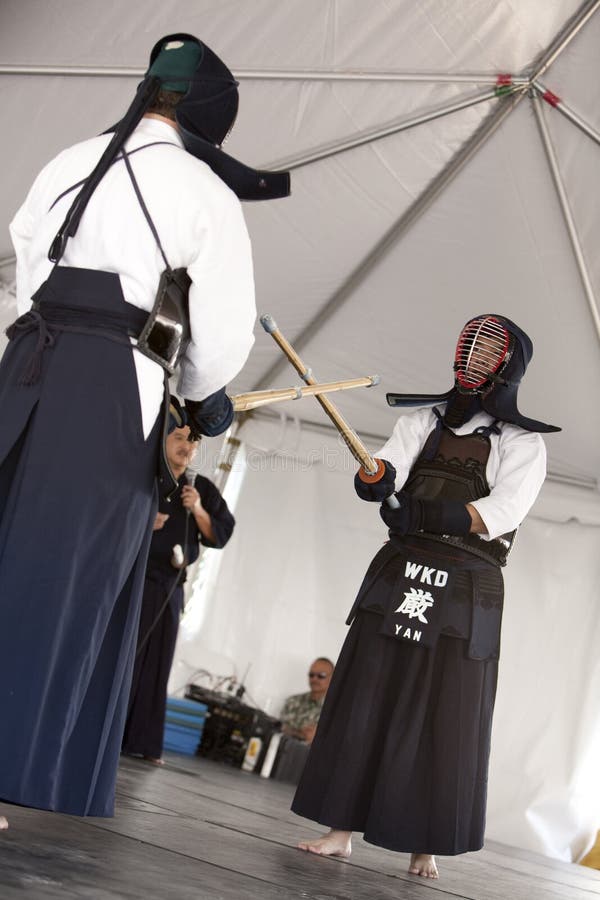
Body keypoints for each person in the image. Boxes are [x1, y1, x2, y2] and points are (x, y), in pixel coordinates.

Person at [0, 34, 289, 821]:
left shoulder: (70, 160)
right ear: (205, 119)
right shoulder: (205, 193)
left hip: (27, 364)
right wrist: (196, 393)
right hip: (110, 383)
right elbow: (222, 338)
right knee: (66, 578)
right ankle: (19, 766)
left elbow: (29, 265)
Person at [291, 314, 560, 879]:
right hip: (403, 568)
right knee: (369, 692)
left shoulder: (524, 443)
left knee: (447, 709)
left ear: (508, 368)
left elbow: (503, 512)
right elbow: (392, 463)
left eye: (489, 352)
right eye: (471, 345)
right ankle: (341, 830)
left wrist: (428, 511)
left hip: (467, 583)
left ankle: (425, 843)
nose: (474, 358)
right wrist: (378, 480)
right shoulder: (423, 419)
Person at [122, 404, 235, 765]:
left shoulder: (200, 487)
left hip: (168, 585)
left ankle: (143, 742)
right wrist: (141, 520)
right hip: (131, 579)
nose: (187, 447)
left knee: (157, 664)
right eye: (180, 438)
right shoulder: (144, 476)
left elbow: (219, 535)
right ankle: (107, 731)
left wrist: (198, 508)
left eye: (193, 442)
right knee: (124, 657)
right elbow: (109, 514)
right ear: (165, 440)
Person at [280, 658, 335, 745]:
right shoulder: (293, 701)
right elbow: (279, 729)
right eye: (311, 675)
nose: (315, 679)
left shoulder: (335, 709)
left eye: (321, 675)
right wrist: (301, 734)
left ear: (333, 677)